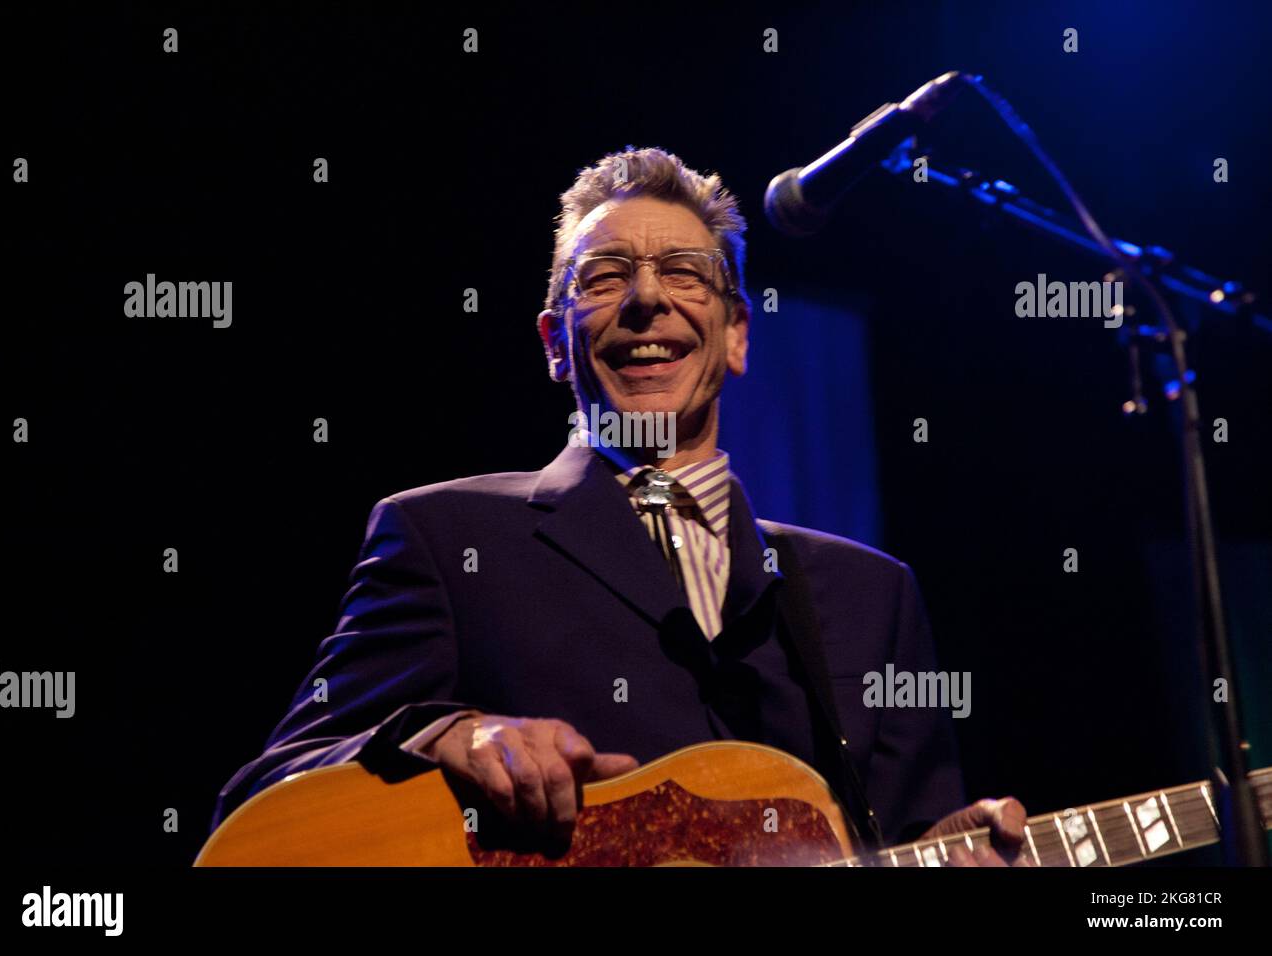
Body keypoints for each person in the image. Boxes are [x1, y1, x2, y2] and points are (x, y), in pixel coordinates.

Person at [212, 147, 1028, 865]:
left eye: (683, 273)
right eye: (603, 278)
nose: (647, 300)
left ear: (738, 334)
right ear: (552, 344)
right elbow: (263, 800)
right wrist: (450, 735)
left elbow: (913, 839)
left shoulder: (870, 594)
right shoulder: (442, 535)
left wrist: (964, 852)